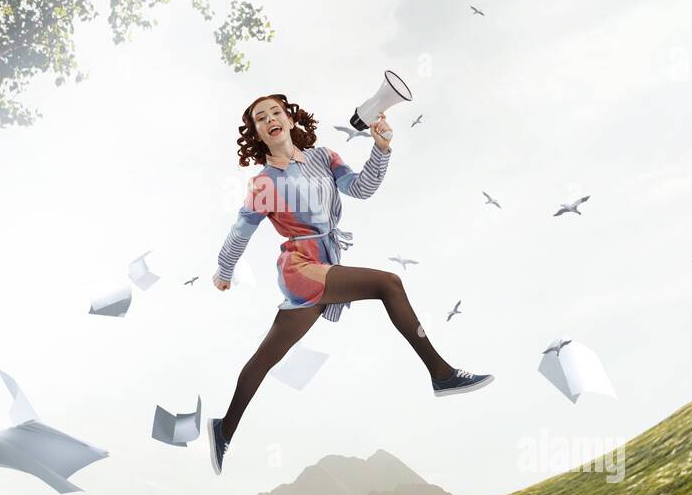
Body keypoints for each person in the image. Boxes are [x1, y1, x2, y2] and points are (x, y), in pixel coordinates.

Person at [206, 93, 492, 474]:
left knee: (266, 357)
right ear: (257, 133)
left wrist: (382, 148)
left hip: (326, 261)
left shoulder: (324, 157)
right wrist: (224, 271)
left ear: (290, 120)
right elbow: (240, 231)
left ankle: (223, 429)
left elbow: (361, 188)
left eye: (276, 111)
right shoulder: (263, 184)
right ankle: (442, 374)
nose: (271, 119)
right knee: (388, 283)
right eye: (261, 118)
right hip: (300, 267)